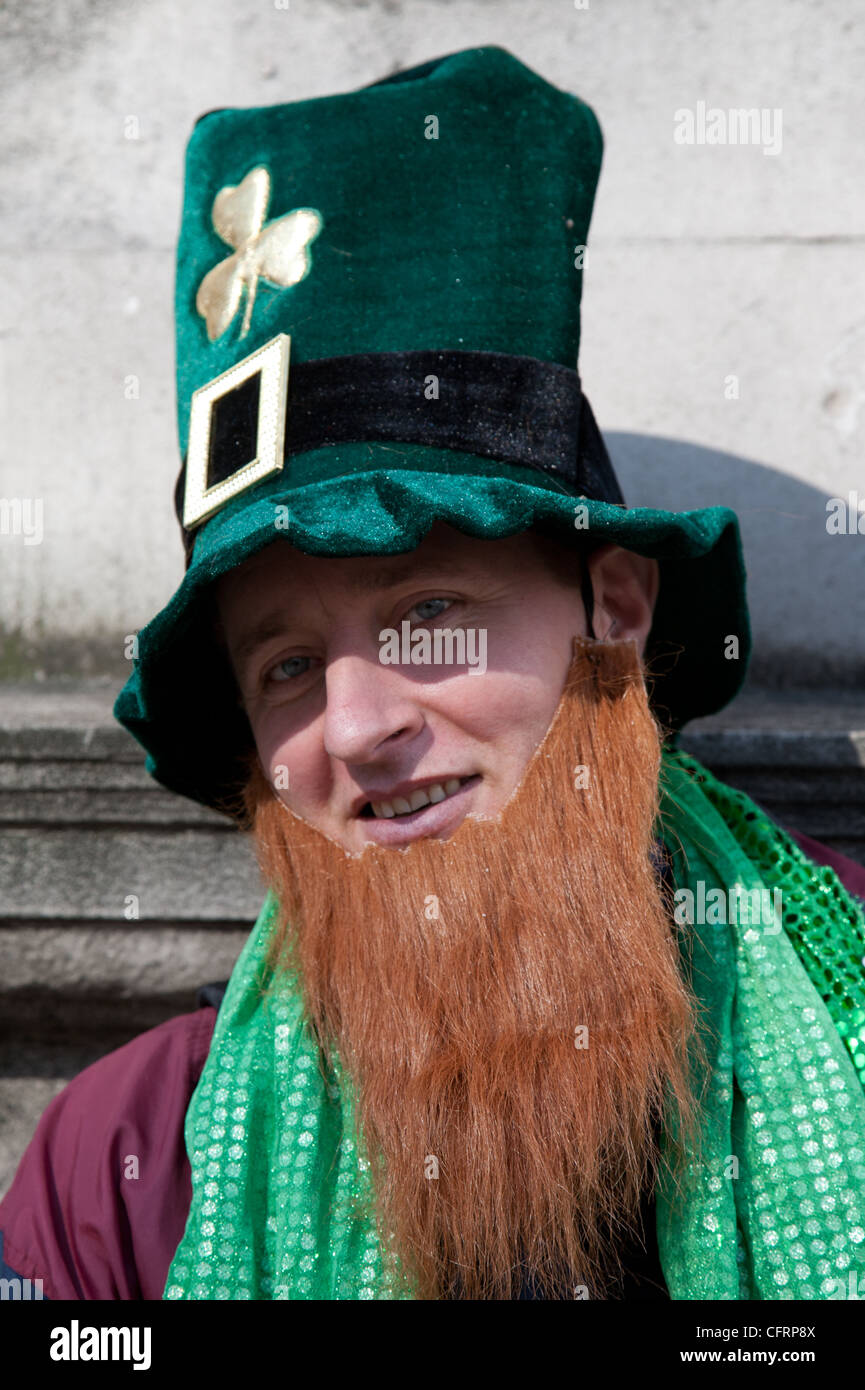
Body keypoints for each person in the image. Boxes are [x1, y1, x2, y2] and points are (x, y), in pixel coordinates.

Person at [2, 45, 864, 1302]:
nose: (354, 725)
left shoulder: (848, 1026)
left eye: (429, 612)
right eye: (288, 662)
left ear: (611, 616)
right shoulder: (119, 1176)